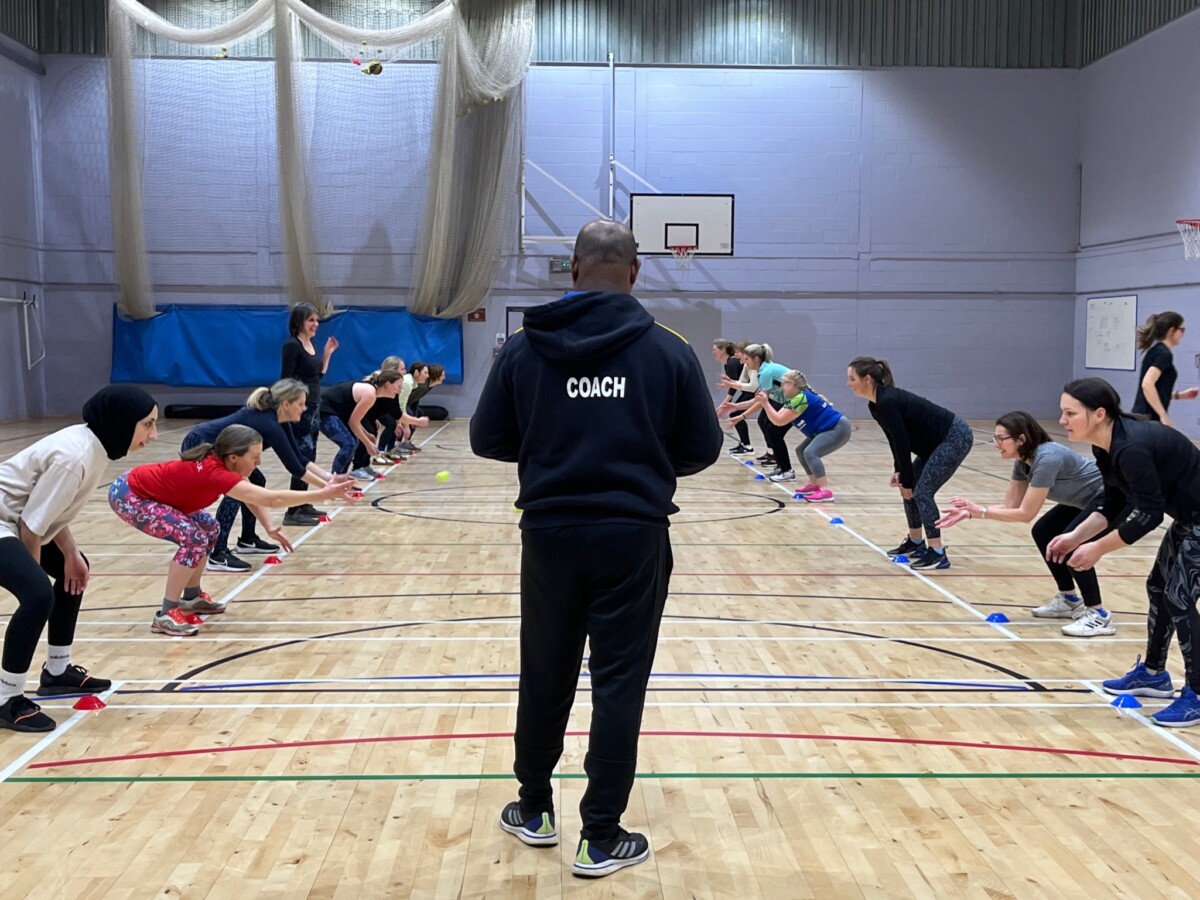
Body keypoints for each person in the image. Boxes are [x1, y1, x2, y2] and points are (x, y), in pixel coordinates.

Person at [470, 218, 722, 877]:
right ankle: (601, 836)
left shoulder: (524, 346)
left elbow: (486, 438)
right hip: (634, 535)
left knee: (544, 671)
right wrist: (640, 460)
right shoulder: (668, 349)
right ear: (634, 272)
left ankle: (534, 808)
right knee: (618, 681)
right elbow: (703, 448)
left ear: (574, 267)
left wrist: (552, 449)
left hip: (549, 534)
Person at [0, 385, 158, 732]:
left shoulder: (94, 447)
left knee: (73, 570)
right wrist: (34, 582)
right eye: (147, 424)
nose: (154, 434)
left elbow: (48, 513)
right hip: (7, 523)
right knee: (38, 595)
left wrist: (70, 553)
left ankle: (57, 672)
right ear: (122, 421)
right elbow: (31, 527)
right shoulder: (75, 457)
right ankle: (6, 698)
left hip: (16, 521)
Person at [1048, 378, 1200, 726]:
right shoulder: (1105, 447)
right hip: (1190, 517)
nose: (1062, 420)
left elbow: (1149, 514)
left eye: (1071, 413)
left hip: (1197, 519)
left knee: (1178, 598)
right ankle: (1154, 674)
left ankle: (1198, 692)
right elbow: (1114, 501)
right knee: (1159, 588)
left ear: (1099, 414)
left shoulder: (1131, 447)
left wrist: (1097, 548)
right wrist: (1075, 537)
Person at [109, 424, 356, 636]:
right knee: (193, 538)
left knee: (210, 528)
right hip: (130, 494)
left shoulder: (225, 464)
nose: (259, 462)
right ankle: (166, 613)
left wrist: (269, 526)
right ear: (234, 457)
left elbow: (251, 496)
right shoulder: (216, 473)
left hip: (149, 491)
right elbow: (272, 499)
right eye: (254, 457)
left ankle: (191, 597)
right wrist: (323, 494)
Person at [935, 410, 1114, 637]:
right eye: (995, 438)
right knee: (1044, 531)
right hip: (1082, 501)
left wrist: (980, 512)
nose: (996, 444)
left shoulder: (1047, 458)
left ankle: (1098, 614)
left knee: (1069, 542)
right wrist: (971, 512)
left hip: (1108, 498)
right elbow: (1011, 505)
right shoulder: (1023, 461)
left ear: (1021, 439)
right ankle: (1069, 600)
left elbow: (1025, 513)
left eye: (1001, 438)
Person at [183, 379, 349, 573]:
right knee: (235, 491)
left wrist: (329, 479)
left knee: (257, 480)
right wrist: (329, 490)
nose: (304, 409)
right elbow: (295, 469)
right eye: (301, 404)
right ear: (286, 404)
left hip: (226, 452)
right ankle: (218, 553)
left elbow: (299, 458)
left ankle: (248, 540)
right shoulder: (267, 422)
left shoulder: (279, 419)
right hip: (200, 444)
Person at [847, 356, 973, 570]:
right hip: (933, 443)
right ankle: (916, 542)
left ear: (867, 379)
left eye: (852, 379)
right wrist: (900, 471)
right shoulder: (875, 404)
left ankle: (937, 553)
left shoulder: (887, 401)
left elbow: (902, 442)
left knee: (921, 491)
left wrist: (907, 478)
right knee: (909, 488)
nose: (848, 384)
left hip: (954, 437)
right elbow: (894, 439)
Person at [730, 370, 851, 501]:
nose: (781, 387)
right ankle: (814, 484)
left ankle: (825, 490)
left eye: (783, 384)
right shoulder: (794, 398)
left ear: (792, 384)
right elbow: (776, 419)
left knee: (810, 452)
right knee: (800, 451)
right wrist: (763, 404)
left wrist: (765, 403)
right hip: (824, 429)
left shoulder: (800, 399)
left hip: (837, 428)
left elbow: (779, 421)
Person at [280, 302, 338, 525]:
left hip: (313, 406)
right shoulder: (292, 346)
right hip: (299, 410)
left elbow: (317, 376)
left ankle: (303, 502)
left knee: (310, 455)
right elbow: (286, 380)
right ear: (299, 322)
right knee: (301, 456)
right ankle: (292, 511)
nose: (315, 324)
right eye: (310, 320)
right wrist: (292, 407)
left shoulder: (310, 344)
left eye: (316, 320)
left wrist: (327, 354)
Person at [717, 343, 790, 476]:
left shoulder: (765, 372)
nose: (744, 363)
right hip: (786, 400)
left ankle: (786, 470)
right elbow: (759, 400)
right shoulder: (764, 370)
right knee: (769, 427)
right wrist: (737, 407)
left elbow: (762, 401)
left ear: (756, 359)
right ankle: (781, 467)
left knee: (773, 430)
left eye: (746, 359)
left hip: (798, 401)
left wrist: (741, 415)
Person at [318, 370, 405, 478]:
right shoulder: (370, 394)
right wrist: (368, 444)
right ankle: (335, 480)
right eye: (399, 386)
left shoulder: (372, 392)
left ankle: (342, 478)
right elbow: (353, 422)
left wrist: (366, 435)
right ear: (387, 384)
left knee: (352, 442)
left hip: (337, 412)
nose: (400, 390)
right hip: (324, 411)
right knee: (349, 444)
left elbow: (355, 419)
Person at [1131, 310, 1198, 428]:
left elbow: (1157, 389)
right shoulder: (1164, 354)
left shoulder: (1156, 350)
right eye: (1181, 330)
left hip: (1143, 417)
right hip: (1148, 418)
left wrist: (1180, 395)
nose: (1183, 334)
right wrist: (1163, 415)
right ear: (1172, 331)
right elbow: (1147, 384)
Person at [712, 339, 753, 455]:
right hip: (748, 390)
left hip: (752, 391)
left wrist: (724, 404)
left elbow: (733, 388)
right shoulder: (728, 363)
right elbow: (735, 383)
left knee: (735, 414)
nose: (713, 352)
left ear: (723, 350)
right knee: (735, 414)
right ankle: (745, 444)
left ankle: (747, 446)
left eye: (715, 349)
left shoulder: (732, 363)